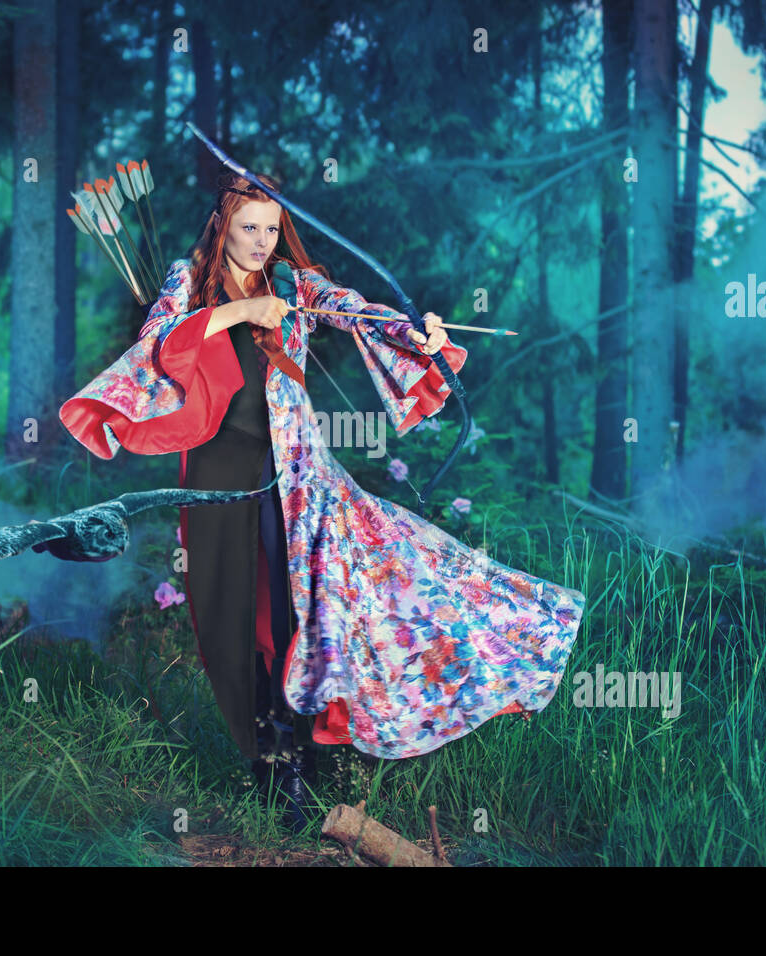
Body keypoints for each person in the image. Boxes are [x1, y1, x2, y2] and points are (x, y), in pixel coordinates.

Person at [58, 167, 586, 831]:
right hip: (219, 473)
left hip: (296, 470)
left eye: (270, 229)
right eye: (248, 227)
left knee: (293, 609)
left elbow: (358, 311)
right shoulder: (188, 281)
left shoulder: (295, 286)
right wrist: (240, 312)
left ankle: (293, 767)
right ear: (222, 227)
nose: (259, 241)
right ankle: (267, 760)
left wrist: (417, 333)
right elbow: (157, 345)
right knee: (230, 617)